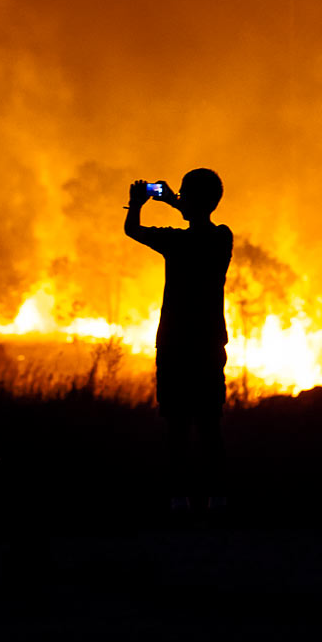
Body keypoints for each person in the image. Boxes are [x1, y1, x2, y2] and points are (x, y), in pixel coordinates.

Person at [125, 169, 233, 514]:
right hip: (209, 343)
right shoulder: (221, 238)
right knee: (210, 423)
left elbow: (132, 229)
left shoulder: (176, 242)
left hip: (174, 344)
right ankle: (216, 499)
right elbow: (199, 217)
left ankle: (178, 501)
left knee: (177, 425)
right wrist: (177, 200)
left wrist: (138, 204)